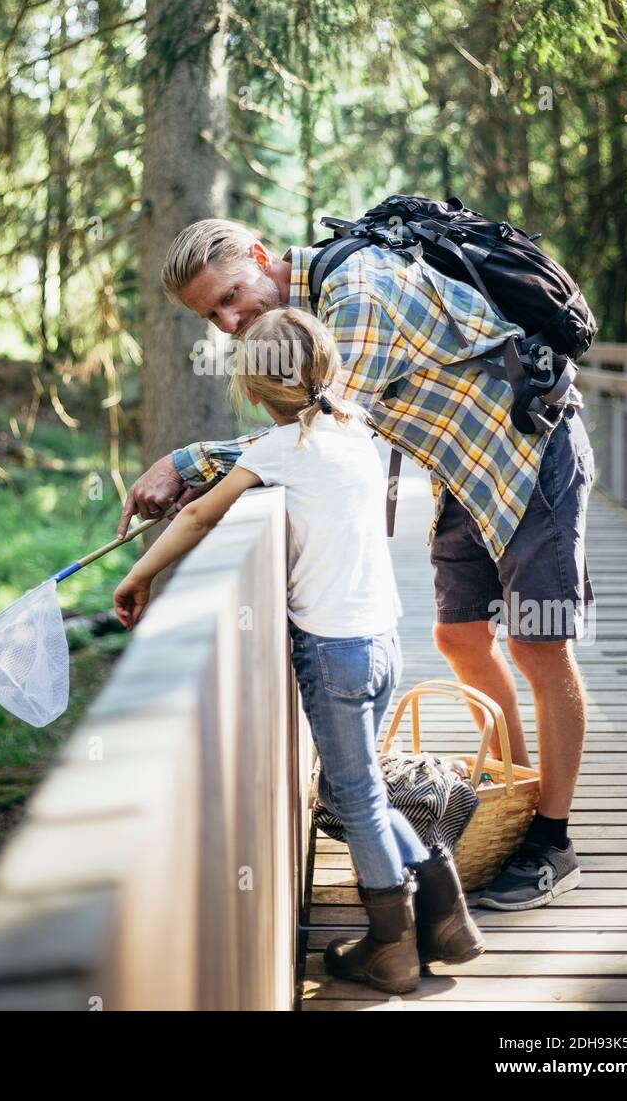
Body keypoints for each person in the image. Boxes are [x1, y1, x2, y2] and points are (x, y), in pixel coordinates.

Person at [118, 218, 596, 911]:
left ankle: (551, 842)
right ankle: (515, 799)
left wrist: (189, 462)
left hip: (532, 449)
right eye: (211, 315)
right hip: (465, 470)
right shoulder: (306, 311)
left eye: (230, 294)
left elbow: (331, 424)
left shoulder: (357, 289)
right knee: (459, 637)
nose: (230, 318)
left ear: (259, 254)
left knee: (538, 648)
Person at [113, 306, 485, 995]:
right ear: (327, 368)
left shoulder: (277, 450)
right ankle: (444, 915)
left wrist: (140, 574)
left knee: (358, 798)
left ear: (251, 391)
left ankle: (391, 946)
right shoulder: (356, 432)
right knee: (363, 790)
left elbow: (199, 512)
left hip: (335, 653)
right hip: (383, 641)